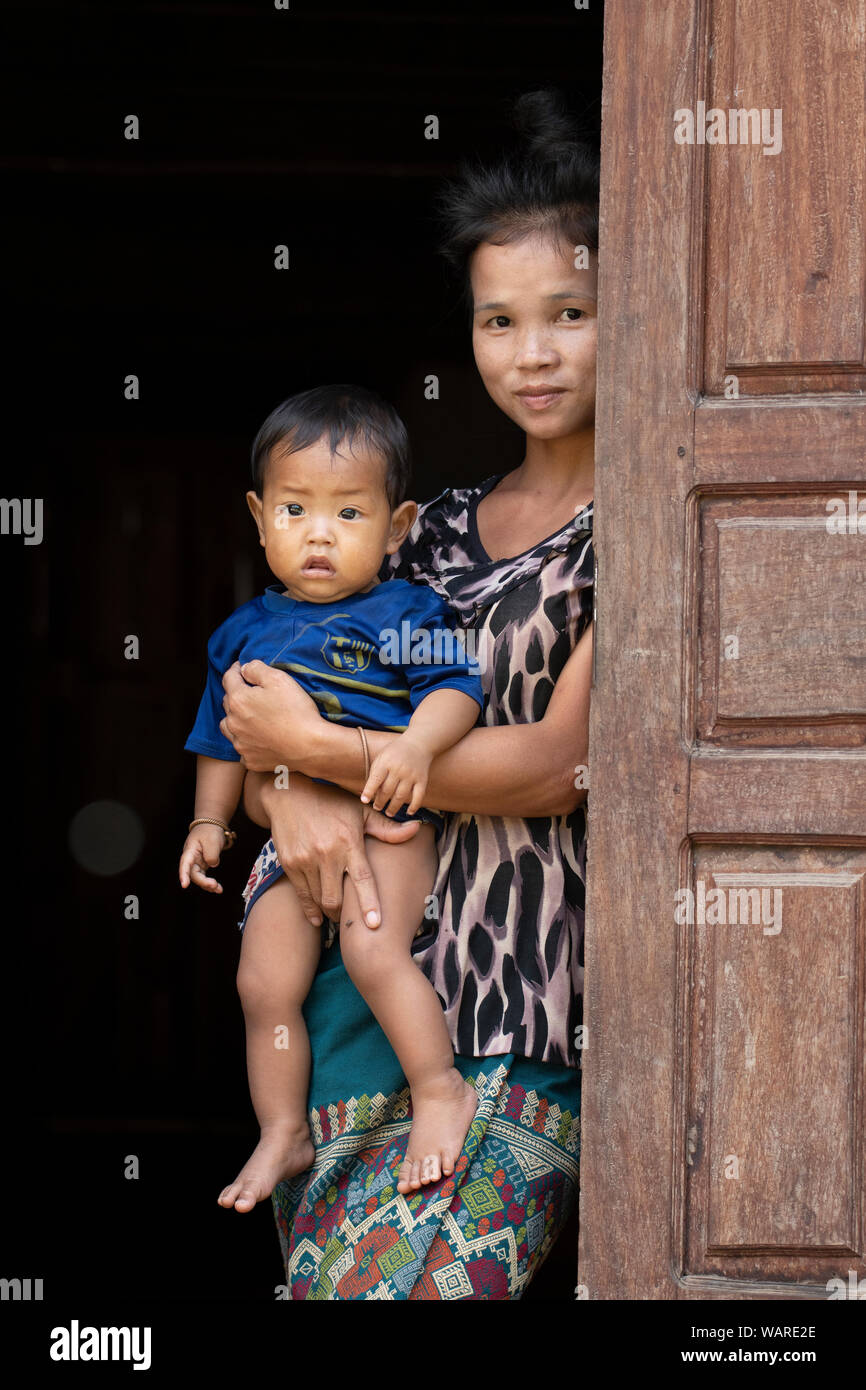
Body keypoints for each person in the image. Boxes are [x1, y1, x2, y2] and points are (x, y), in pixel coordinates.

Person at [220, 88, 598, 1299]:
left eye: (569, 315)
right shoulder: (418, 531)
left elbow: (553, 764)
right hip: (355, 997)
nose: (530, 354)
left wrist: (310, 755)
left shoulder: (644, 533)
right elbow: (261, 691)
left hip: (512, 1003)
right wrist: (282, 793)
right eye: (499, 321)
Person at [179, 385, 484, 1210]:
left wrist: (417, 744)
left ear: (395, 527)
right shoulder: (240, 631)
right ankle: (283, 1129)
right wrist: (210, 821)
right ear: (259, 515)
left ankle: (437, 1088)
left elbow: (460, 688)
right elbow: (220, 733)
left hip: (392, 827)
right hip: (286, 841)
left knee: (372, 955)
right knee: (262, 983)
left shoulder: (404, 608)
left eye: (349, 515)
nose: (319, 533)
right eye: (295, 510)